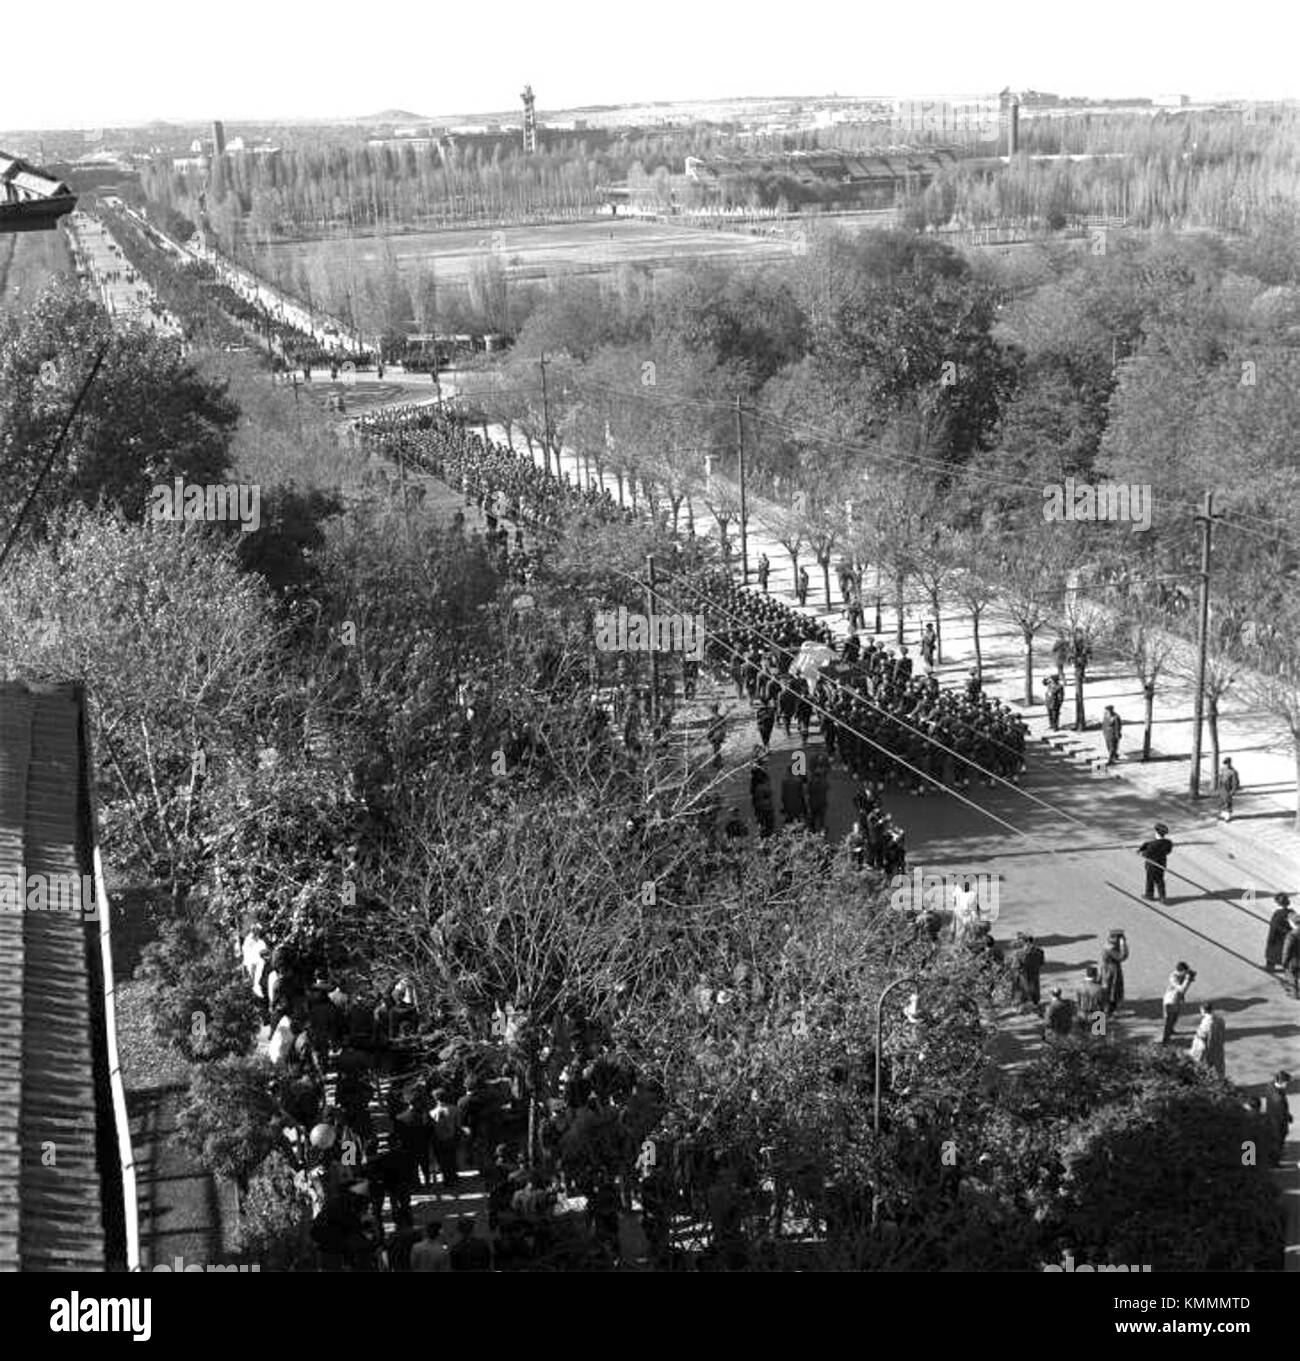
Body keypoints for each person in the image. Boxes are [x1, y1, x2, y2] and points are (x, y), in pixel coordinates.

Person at [1137, 823, 1174, 902]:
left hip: (1151, 864)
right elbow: (1168, 851)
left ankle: (1149, 895)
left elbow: (1145, 854)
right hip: (1162, 864)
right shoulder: (1168, 843)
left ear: (1156, 833)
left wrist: (1141, 851)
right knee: (1160, 880)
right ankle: (1162, 897)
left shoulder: (1151, 844)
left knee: (1150, 880)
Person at [1161, 961, 1196, 1044]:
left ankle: (1171, 1031)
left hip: (1176, 1000)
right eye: (1185, 971)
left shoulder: (1181, 975)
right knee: (1169, 1020)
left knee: (1175, 1017)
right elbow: (1181, 989)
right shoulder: (1173, 977)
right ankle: (1165, 1039)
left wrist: (1189, 979)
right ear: (1181, 971)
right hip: (1170, 1001)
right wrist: (1187, 979)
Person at [1190, 1001, 1226, 1075]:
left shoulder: (1206, 1023)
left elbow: (1201, 1037)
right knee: (1219, 1066)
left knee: (1206, 1067)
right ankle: (1221, 1082)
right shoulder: (1220, 1020)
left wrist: (1194, 1050)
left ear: (1203, 1010)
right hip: (1218, 1046)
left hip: (1208, 1048)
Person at [1264, 1072, 1292, 1167]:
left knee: (1275, 1141)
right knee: (1277, 1142)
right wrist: (1287, 1117)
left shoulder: (1270, 1087)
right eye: (1286, 1083)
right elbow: (1281, 1111)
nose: (1287, 1085)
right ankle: (1274, 1162)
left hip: (1272, 1118)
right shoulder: (1278, 1096)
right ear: (1282, 1082)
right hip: (1278, 1122)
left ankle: (1274, 1159)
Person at [1099, 929, 1128, 1015]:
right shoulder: (1110, 948)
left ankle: (1111, 1005)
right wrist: (1123, 944)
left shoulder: (1111, 945)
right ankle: (1108, 1008)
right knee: (1111, 988)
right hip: (1110, 970)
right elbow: (1122, 956)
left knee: (1113, 987)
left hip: (1111, 968)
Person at [1075, 964, 1109, 1030]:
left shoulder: (1079, 986)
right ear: (1096, 975)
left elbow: (1078, 1002)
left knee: (1082, 1036)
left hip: (1082, 1014)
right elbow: (1104, 1005)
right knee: (1099, 1038)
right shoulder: (1100, 989)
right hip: (1097, 1015)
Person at [1265, 894, 1292, 970]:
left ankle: (1270, 966)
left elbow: (1274, 926)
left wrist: (1271, 938)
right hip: (1287, 936)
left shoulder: (1278, 913)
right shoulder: (1292, 912)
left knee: (1272, 951)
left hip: (1277, 937)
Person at [1282, 916, 1300, 1000]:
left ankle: (1294, 993)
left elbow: (1287, 950)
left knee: (1292, 976)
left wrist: (1284, 961)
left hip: (1294, 960)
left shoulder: (1291, 935)